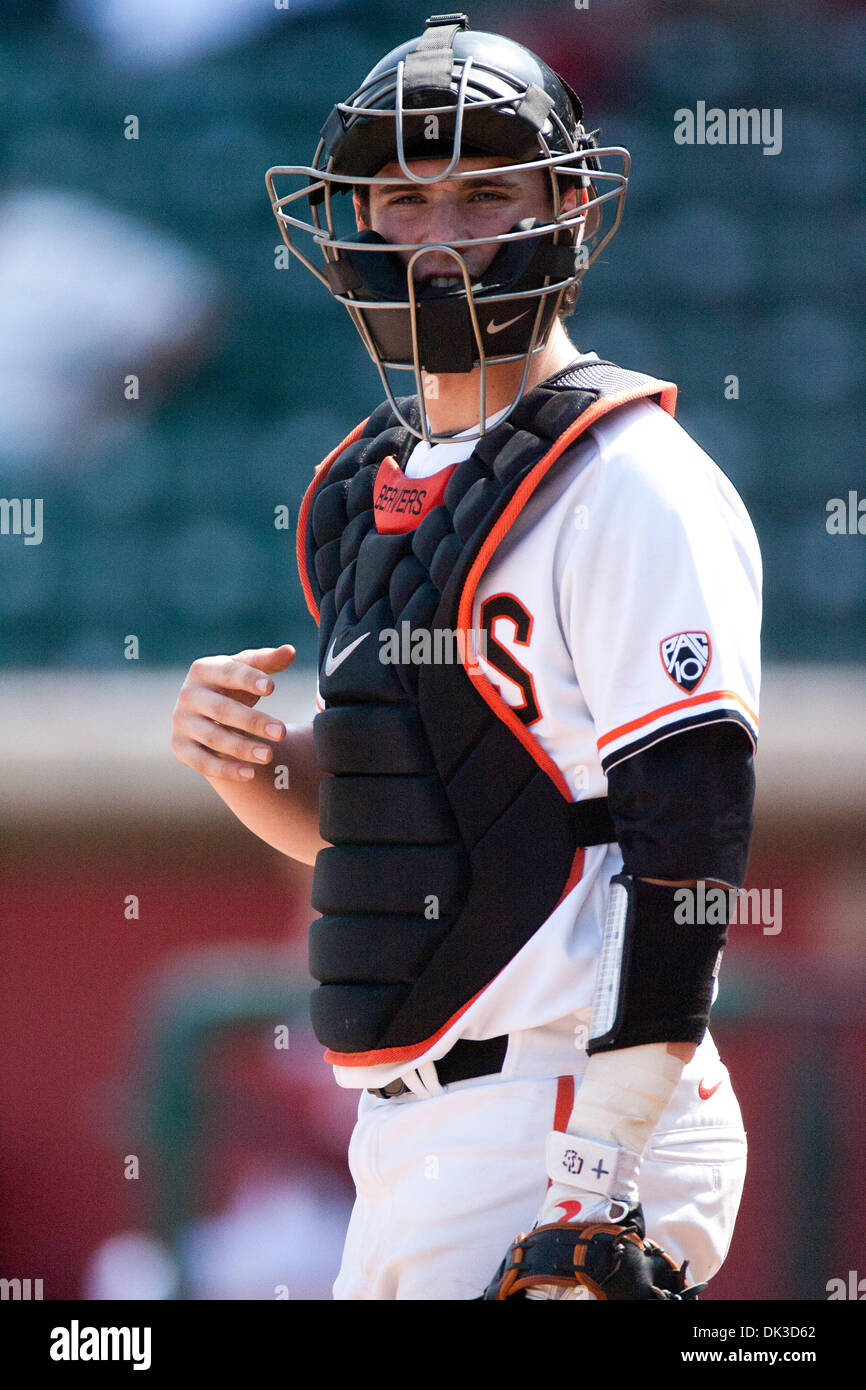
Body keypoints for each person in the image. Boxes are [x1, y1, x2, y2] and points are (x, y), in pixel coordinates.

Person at [172, 14, 760, 1300]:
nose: (437, 238)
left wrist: (597, 1174)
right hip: (414, 1135)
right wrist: (251, 766)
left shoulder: (630, 477)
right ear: (350, 223)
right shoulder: (370, 489)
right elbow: (409, 831)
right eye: (402, 200)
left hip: (566, 1110)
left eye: (482, 194)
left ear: (563, 207)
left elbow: (693, 841)